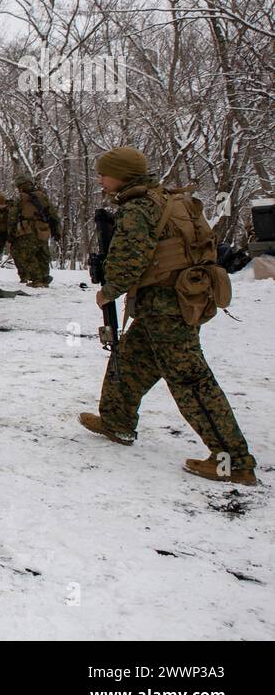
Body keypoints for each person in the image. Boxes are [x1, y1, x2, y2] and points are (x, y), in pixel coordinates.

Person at [79, 146, 257, 485]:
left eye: (104, 172)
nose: (100, 179)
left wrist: (108, 290)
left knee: (190, 380)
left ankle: (232, 461)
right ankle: (117, 422)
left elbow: (129, 260)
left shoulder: (139, 209)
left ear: (122, 175)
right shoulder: (166, 199)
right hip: (169, 301)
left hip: (168, 307)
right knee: (130, 359)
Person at [9, 174, 60, 287]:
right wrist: (56, 230)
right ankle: (44, 277)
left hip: (28, 230)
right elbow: (53, 215)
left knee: (26, 254)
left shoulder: (21, 198)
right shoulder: (42, 196)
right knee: (42, 254)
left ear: (20, 186)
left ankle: (37, 279)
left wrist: (11, 231)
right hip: (43, 229)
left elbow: (12, 216)